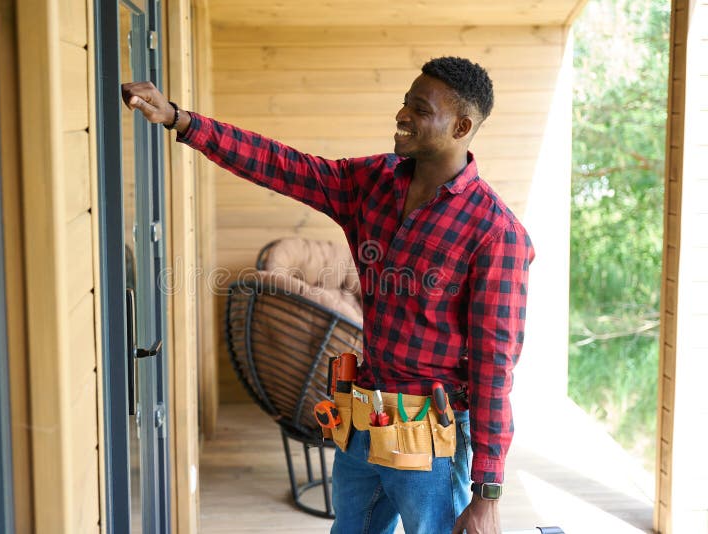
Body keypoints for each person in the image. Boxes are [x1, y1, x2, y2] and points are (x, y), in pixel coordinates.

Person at [122, 56, 534, 534]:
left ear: (462, 126)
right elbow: (282, 165)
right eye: (405, 103)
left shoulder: (495, 233)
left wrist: (487, 493)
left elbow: (493, 367)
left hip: (433, 445)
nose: (402, 116)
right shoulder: (373, 183)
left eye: (419, 110)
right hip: (362, 422)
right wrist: (180, 119)